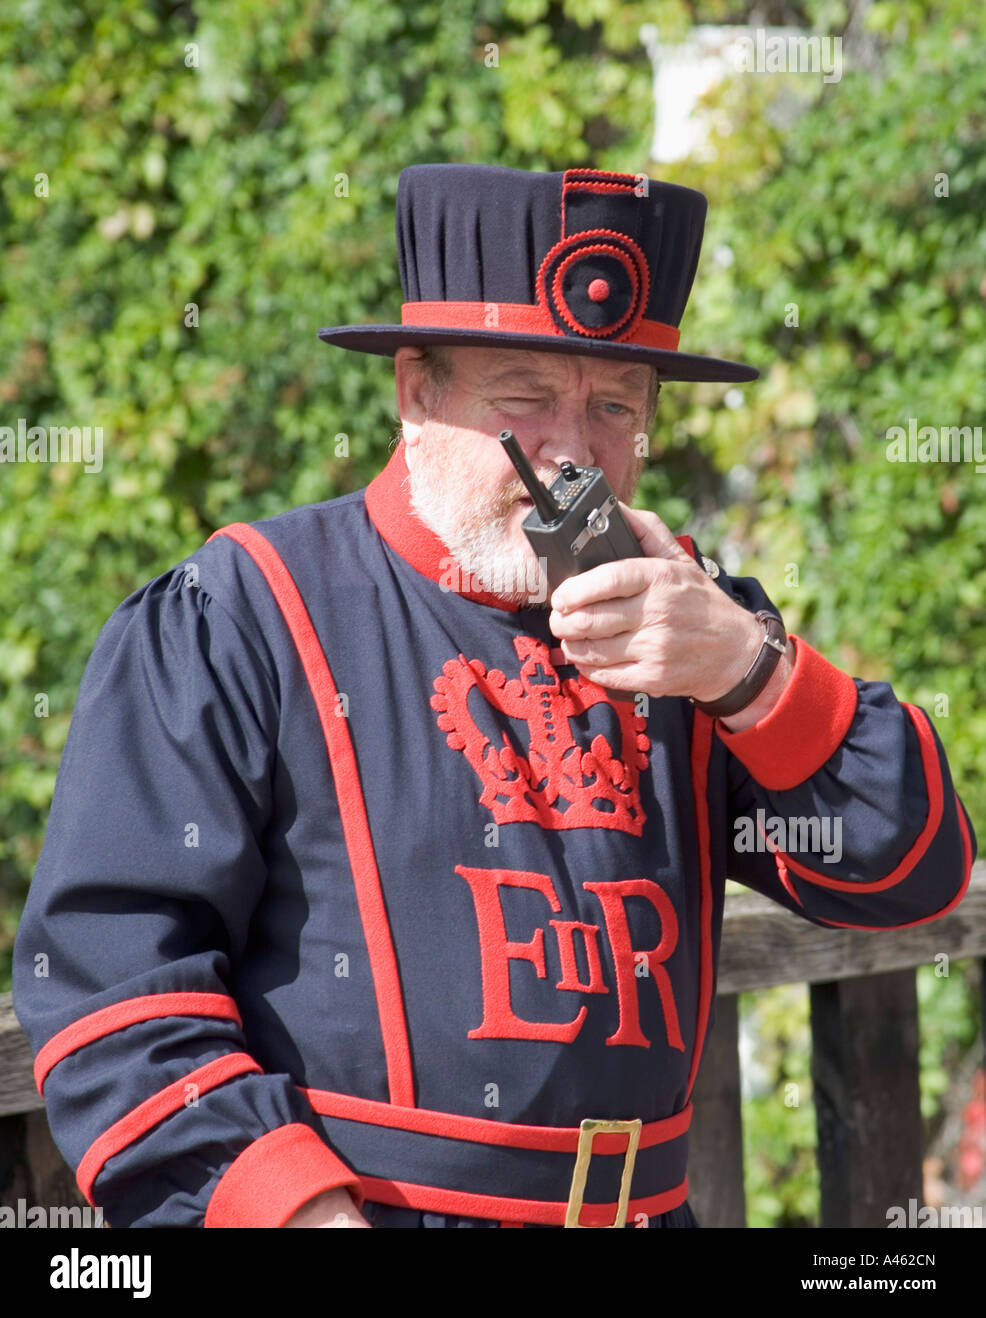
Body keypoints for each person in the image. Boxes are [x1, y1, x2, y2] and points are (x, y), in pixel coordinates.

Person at [12, 164, 975, 1229]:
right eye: (523, 395)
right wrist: (295, 1212)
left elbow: (912, 875)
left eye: (613, 405)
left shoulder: (687, 618)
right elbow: (111, 983)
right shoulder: (238, 610)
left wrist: (748, 669)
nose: (572, 454)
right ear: (414, 391)